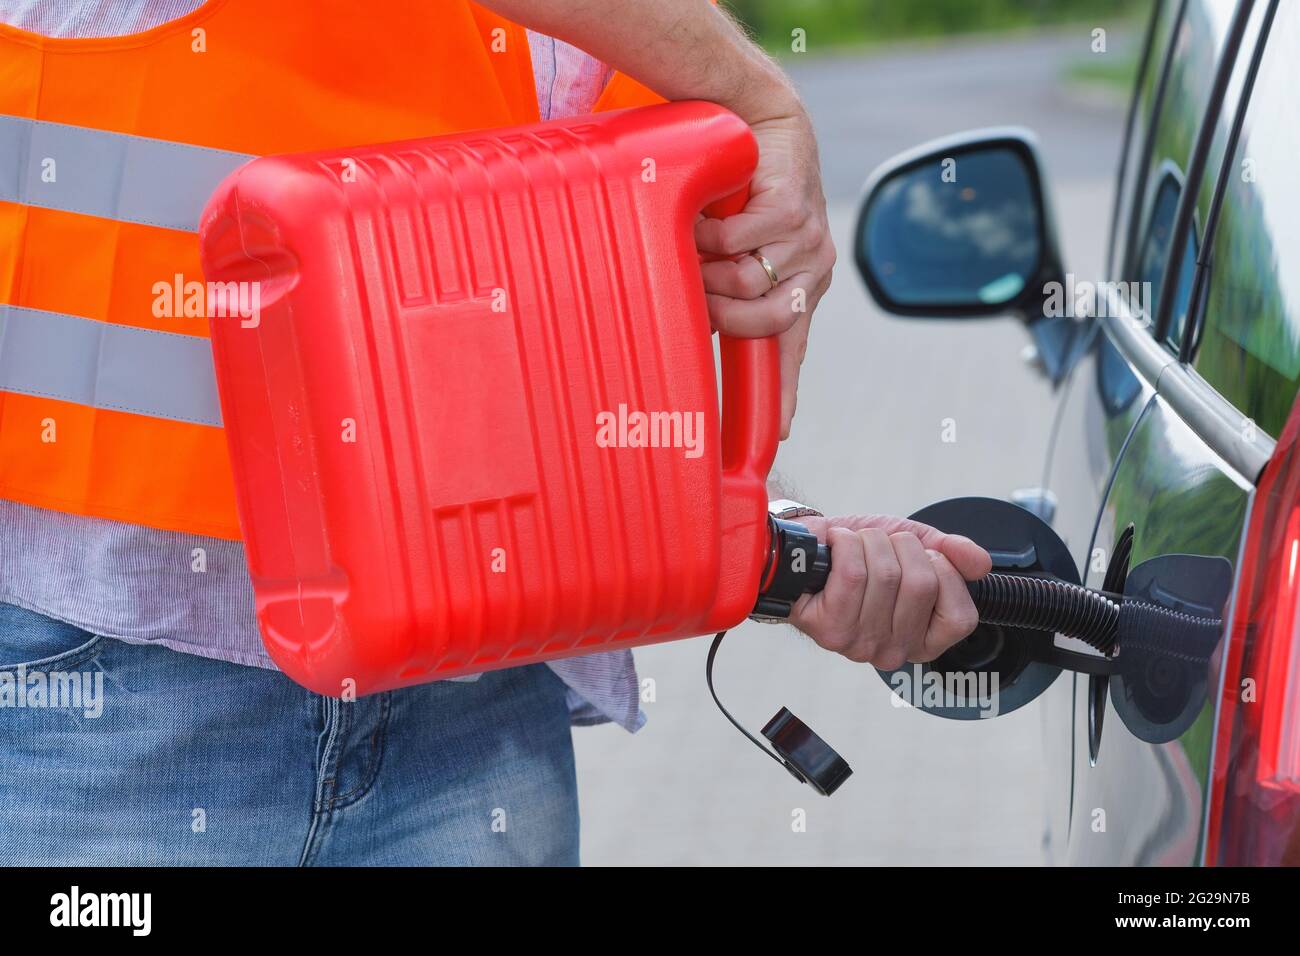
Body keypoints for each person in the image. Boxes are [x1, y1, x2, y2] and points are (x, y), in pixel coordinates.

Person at [0, 0, 989, 865]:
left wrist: (767, 531)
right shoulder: (693, 53)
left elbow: (523, 353)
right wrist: (757, 98)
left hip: (476, 704)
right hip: (119, 693)